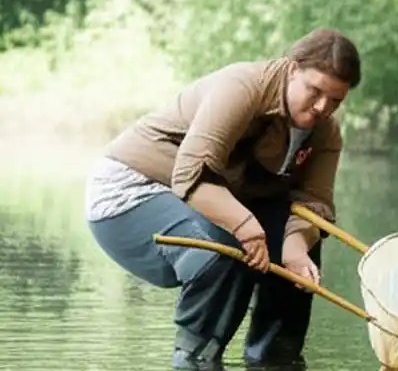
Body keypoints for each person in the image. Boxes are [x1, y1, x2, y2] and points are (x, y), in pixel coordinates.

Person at [84, 28, 361, 370]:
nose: (323, 107)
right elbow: (191, 173)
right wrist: (246, 226)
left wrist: (295, 245)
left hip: (218, 194)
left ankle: (276, 358)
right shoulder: (242, 86)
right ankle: (195, 359)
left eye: (335, 100)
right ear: (292, 69)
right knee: (227, 247)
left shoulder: (327, 133)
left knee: (302, 256)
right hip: (133, 189)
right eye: (315, 90)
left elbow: (314, 204)